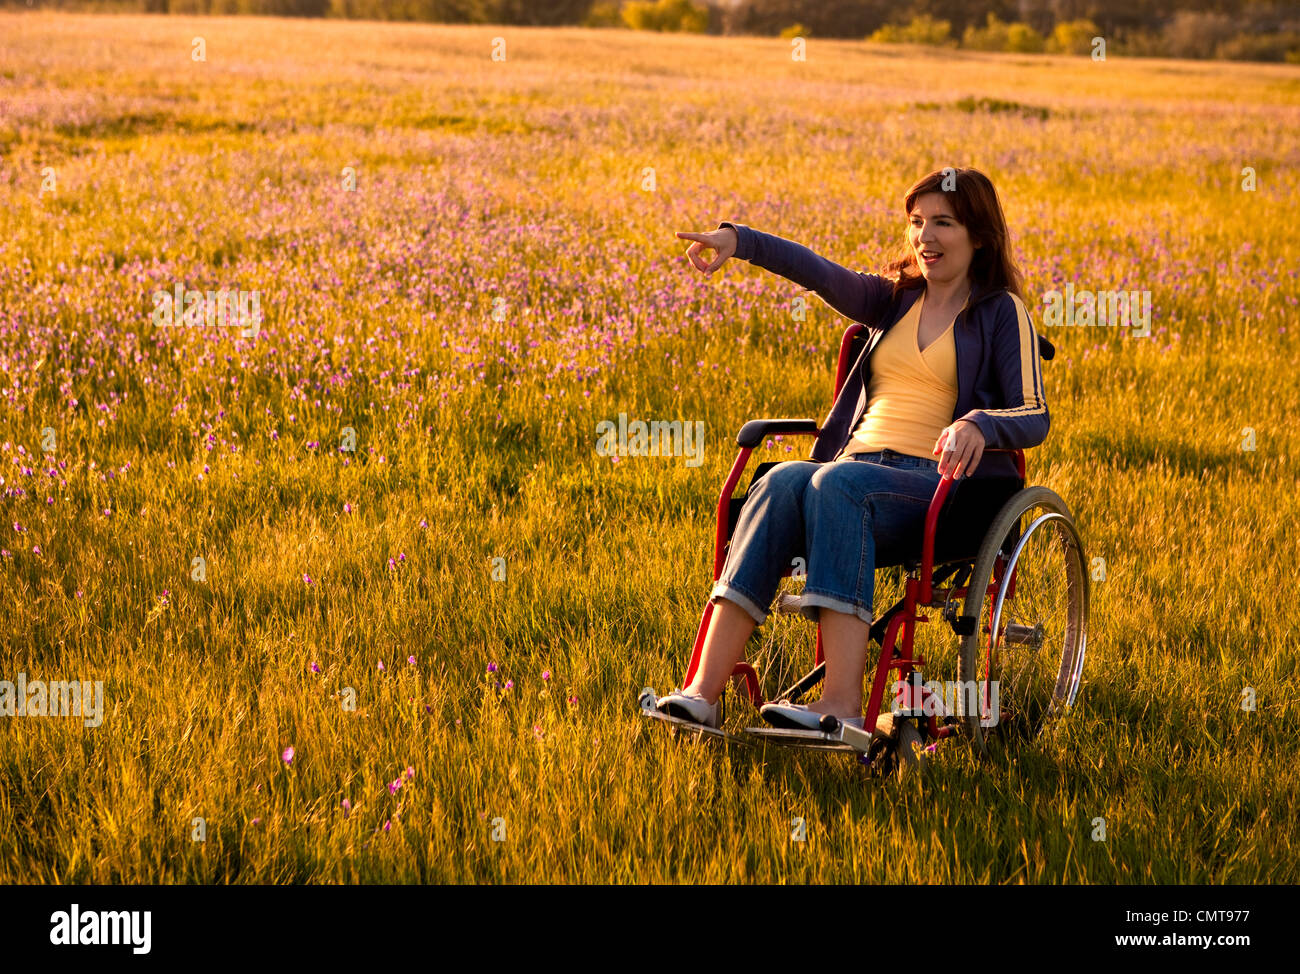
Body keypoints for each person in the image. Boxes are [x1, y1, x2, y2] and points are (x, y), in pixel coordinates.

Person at [656, 167, 1051, 731]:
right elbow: (814, 269)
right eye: (917, 222)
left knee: (834, 483)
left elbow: (1034, 413)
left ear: (980, 236)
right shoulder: (891, 300)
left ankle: (839, 707)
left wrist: (979, 425)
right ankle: (704, 691)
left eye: (943, 223)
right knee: (782, 480)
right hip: (854, 472)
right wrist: (739, 241)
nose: (925, 237)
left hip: (942, 486)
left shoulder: (1001, 311)